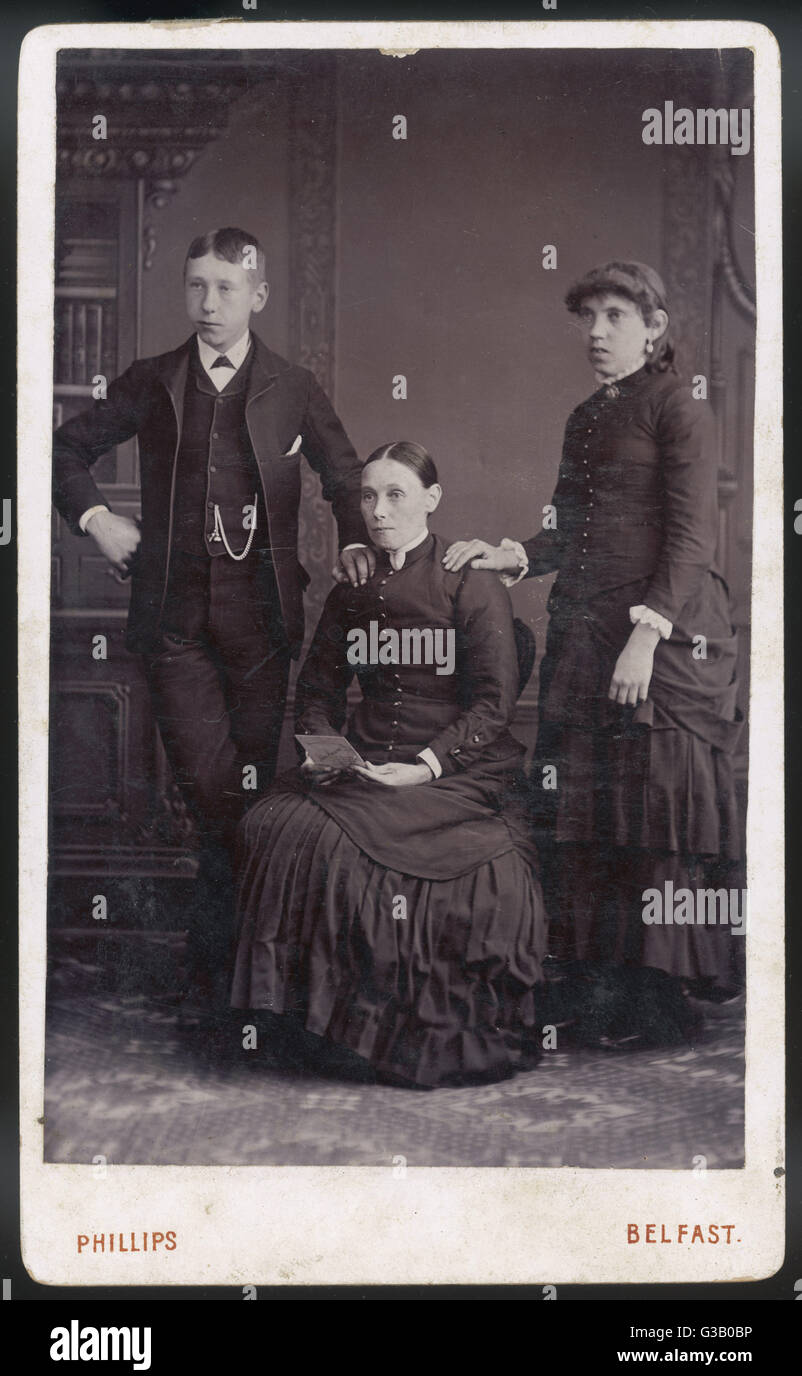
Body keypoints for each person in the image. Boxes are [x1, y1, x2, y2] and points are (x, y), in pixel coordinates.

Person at [52, 226, 375, 1007]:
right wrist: (100, 521)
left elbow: (345, 476)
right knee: (214, 789)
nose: (208, 303)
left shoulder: (294, 387)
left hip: (264, 625)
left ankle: (230, 979)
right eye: (197, 287)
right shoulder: (154, 380)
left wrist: (360, 543)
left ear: (257, 296)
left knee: (254, 793)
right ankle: (242, 977)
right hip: (173, 623)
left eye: (226, 288)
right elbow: (63, 449)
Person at [442, 261, 744, 1047]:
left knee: (651, 812)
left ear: (654, 327)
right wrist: (508, 554)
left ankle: (658, 999)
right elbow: (565, 528)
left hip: (663, 639)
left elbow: (691, 536)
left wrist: (650, 634)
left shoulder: (679, 408)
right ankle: (600, 986)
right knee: (585, 814)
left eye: (617, 316)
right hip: (588, 631)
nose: (599, 332)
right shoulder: (585, 416)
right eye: (590, 317)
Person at [231, 442, 547, 1087]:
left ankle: (387, 1036)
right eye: (367, 497)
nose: (378, 511)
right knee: (278, 825)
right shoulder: (354, 586)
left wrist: (427, 766)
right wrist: (330, 755)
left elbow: (492, 707)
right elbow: (316, 693)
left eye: (396, 495)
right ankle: (321, 1027)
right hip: (365, 763)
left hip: (458, 767)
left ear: (432, 499)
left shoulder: (473, 581)